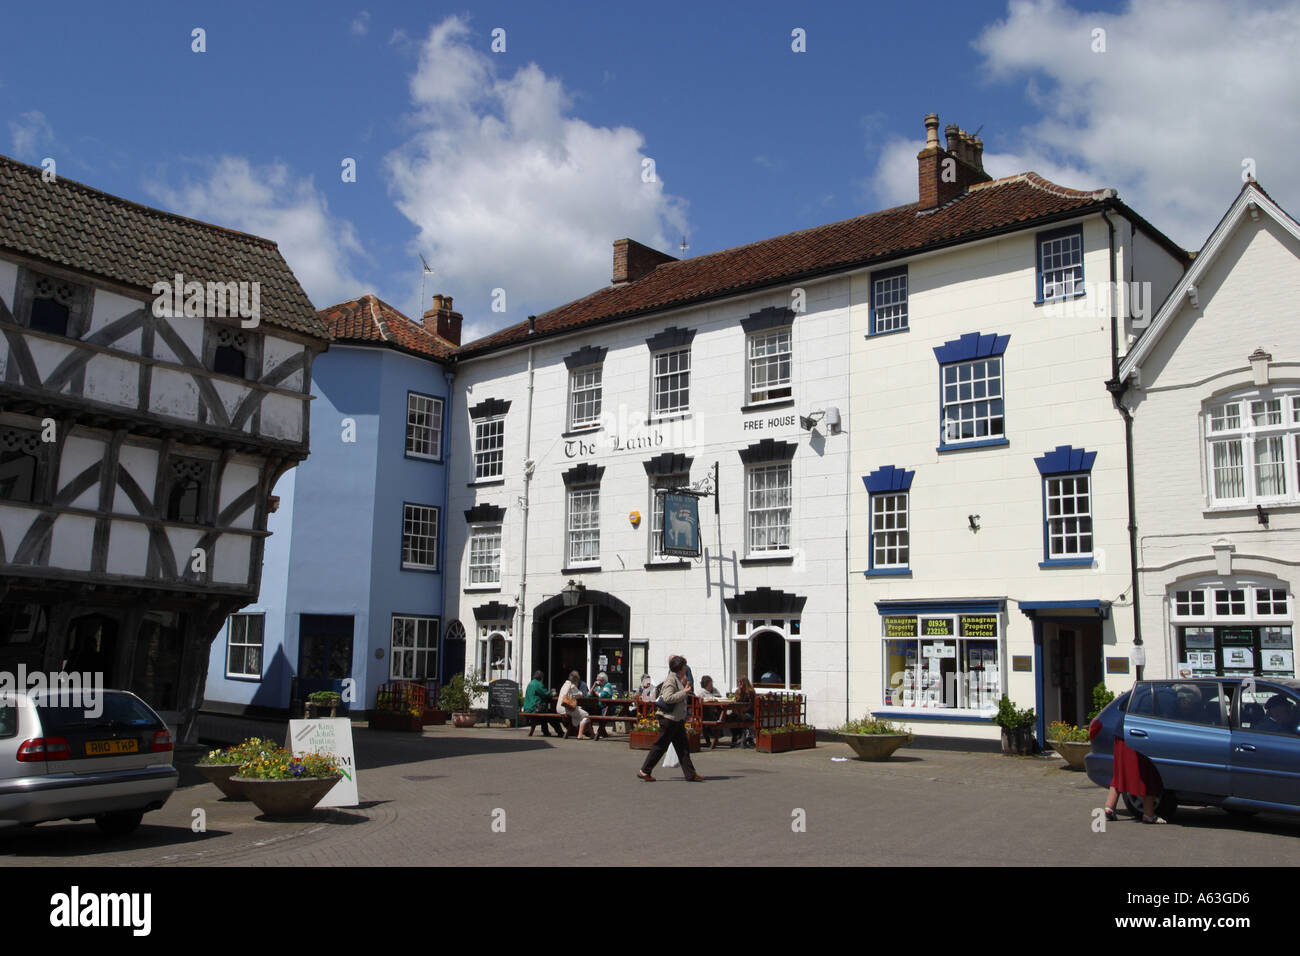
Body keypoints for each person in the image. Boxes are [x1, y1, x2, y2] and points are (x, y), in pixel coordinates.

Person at [637, 655, 704, 782]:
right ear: (680, 668)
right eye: (684, 666)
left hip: (676, 719)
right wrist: (684, 692)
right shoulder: (671, 680)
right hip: (668, 718)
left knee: (682, 747)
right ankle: (644, 771)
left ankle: (690, 774)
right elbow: (668, 698)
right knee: (660, 745)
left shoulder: (677, 679)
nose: (686, 668)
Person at [1100, 736, 1165, 824]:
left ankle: (1109, 807)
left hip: (1123, 734)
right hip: (1138, 736)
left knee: (1120, 771)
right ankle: (1149, 814)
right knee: (1149, 772)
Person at [523, 670, 564, 737]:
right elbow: (547, 694)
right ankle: (560, 732)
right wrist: (553, 694)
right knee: (552, 715)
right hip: (534, 709)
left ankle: (546, 732)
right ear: (541, 678)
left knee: (545, 714)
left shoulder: (530, 683)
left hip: (527, 709)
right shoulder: (538, 684)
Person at [557, 670, 594, 739]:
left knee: (579, 713)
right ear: (577, 680)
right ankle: (580, 734)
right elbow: (581, 695)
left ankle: (592, 734)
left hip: (559, 708)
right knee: (586, 715)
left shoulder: (565, 684)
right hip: (566, 708)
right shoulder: (572, 686)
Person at [732, 676, 756, 748]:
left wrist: (742, 711)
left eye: (741, 682)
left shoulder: (750, 692)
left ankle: (740, 738)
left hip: (749, 714)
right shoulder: (738, 691)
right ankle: (737, 737)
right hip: (740, 713)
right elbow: (736, 702)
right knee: (729, 718)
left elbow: (750, 706)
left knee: (737, 719)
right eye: (738, 682)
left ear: (745, 683)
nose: (739, 684)